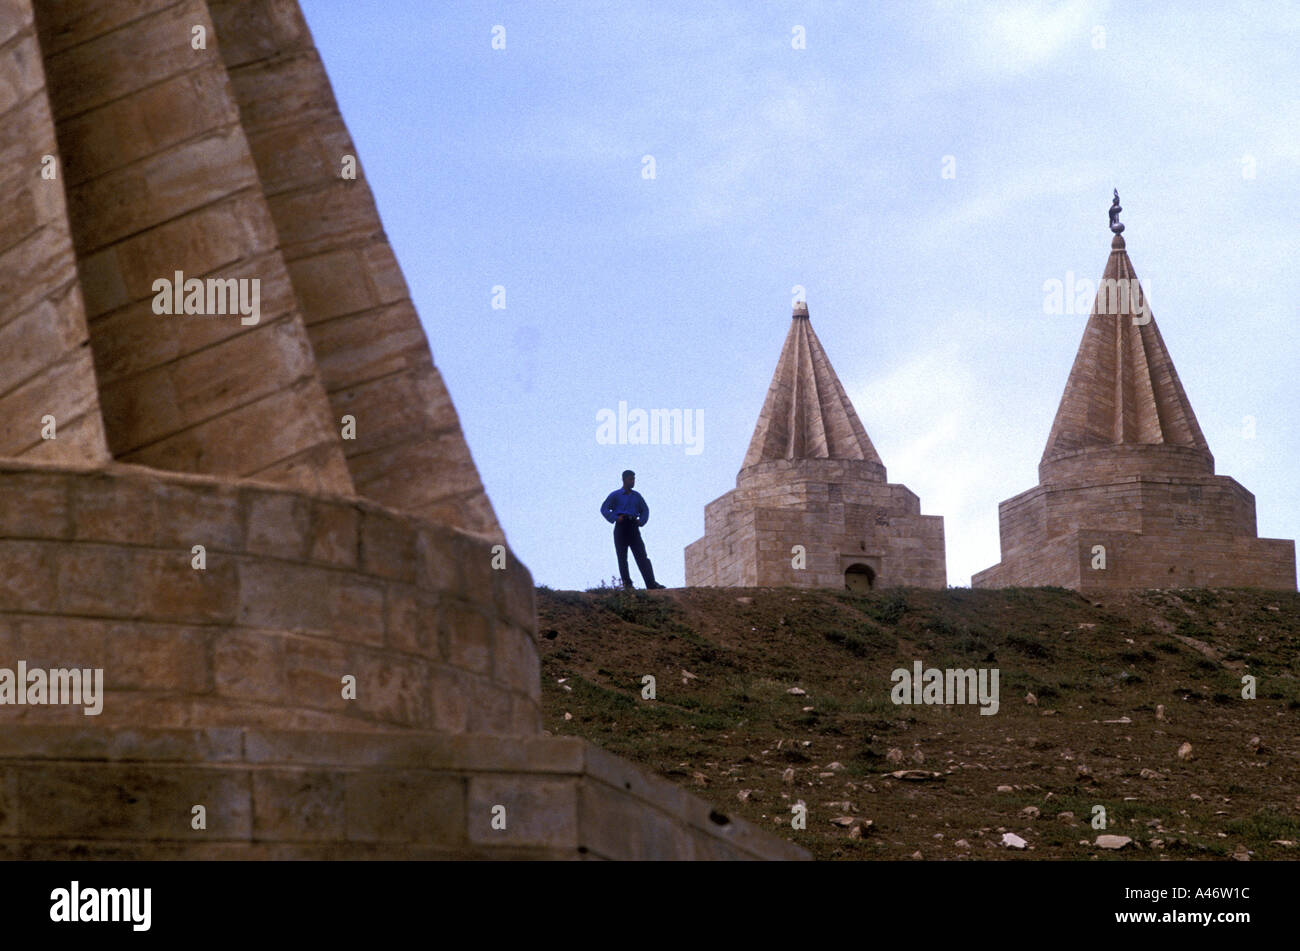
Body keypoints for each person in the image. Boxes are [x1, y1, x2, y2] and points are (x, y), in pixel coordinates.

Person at [599, 470, 666, 589]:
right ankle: (628, 585)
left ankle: (651, 583)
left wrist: (641, 521)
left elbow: (645, 509)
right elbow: (604, 508)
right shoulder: (616, 495)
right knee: (622, 557)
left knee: (642, 556)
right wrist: (614, 518)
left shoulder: (637, 496)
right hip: (621, 526)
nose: (633, 481)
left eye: (634, 479)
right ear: (624, 480)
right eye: (630, 479)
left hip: (633, 526)